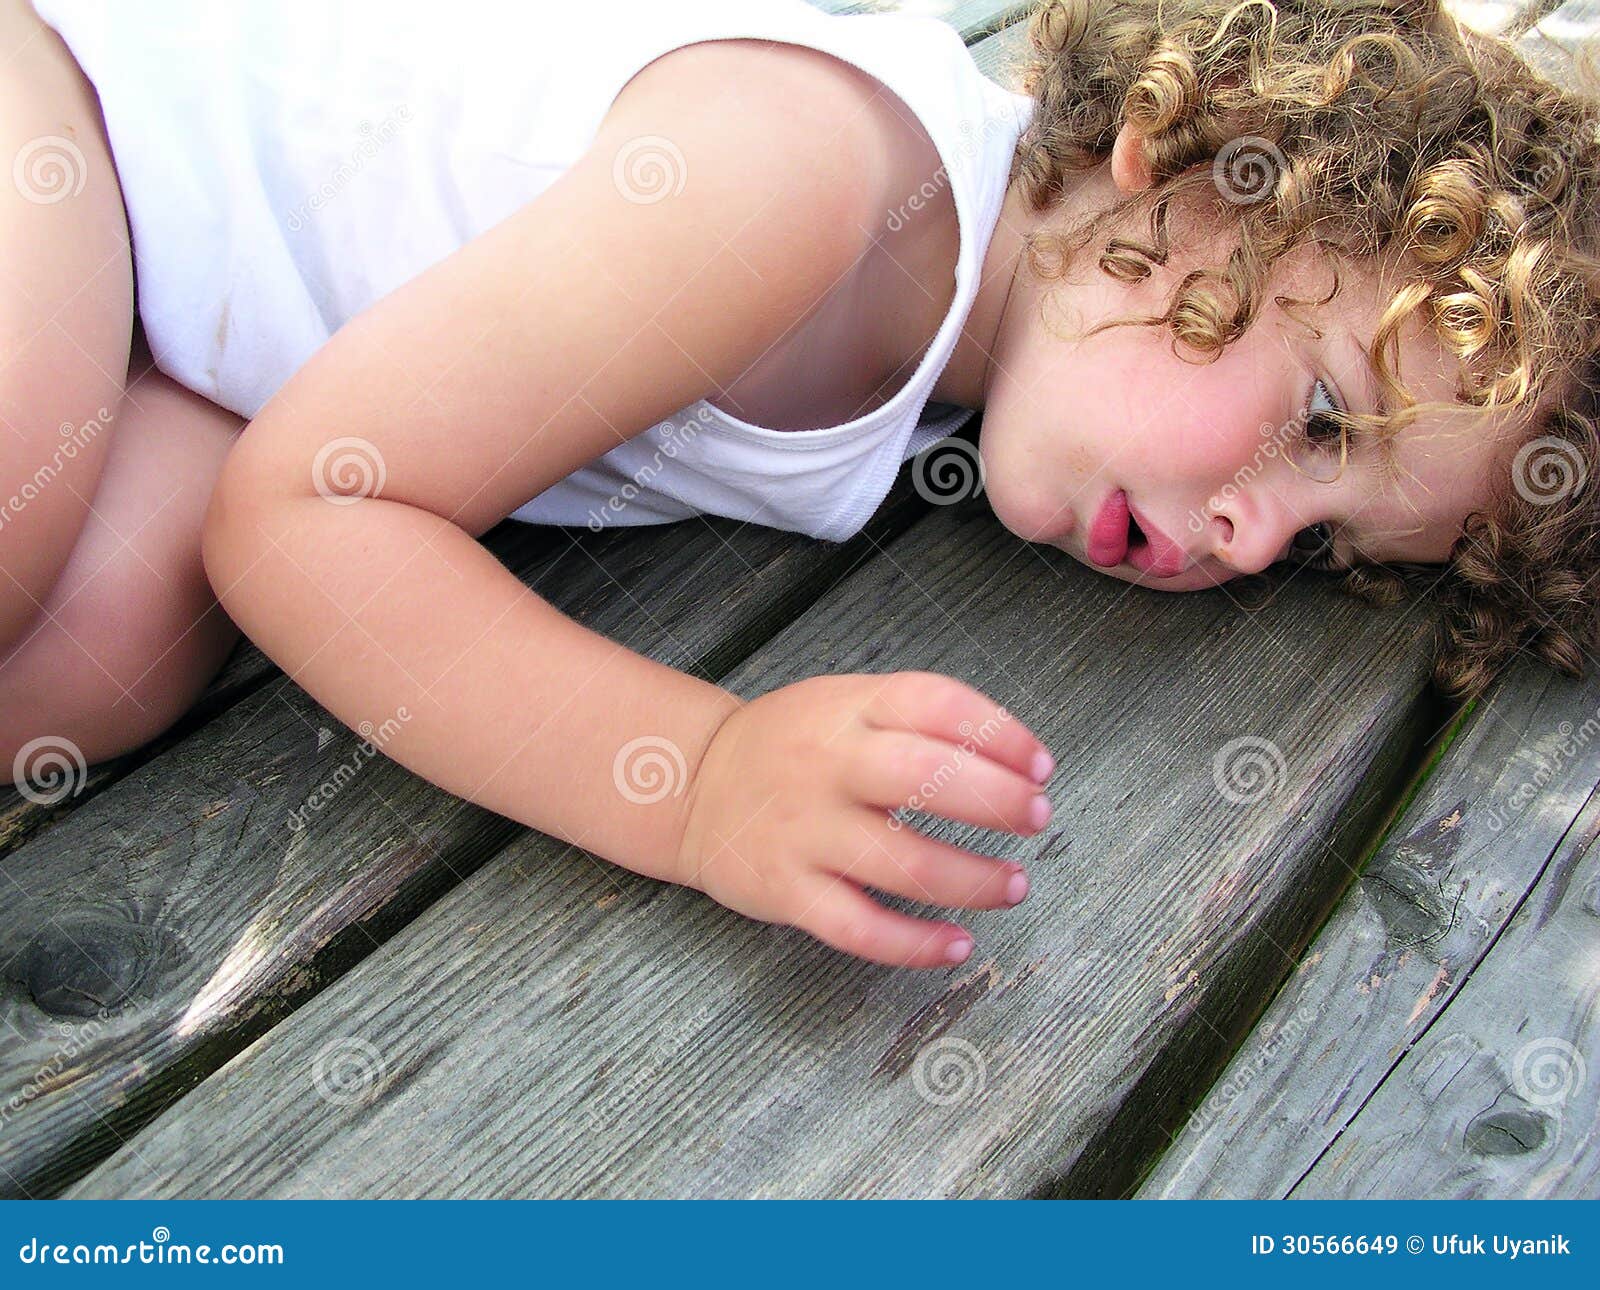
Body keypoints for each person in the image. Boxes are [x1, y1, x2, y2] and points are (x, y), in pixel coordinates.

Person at [4, 0, 1597, 968]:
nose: (1255, 532)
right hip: (81, 100)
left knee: (86, 661)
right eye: (1320, 420)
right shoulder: (810, 181)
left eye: (1326, 539)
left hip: (213, 328)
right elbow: (319, 516)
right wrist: (695, 779)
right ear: (1195, 163)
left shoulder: (952, 357)